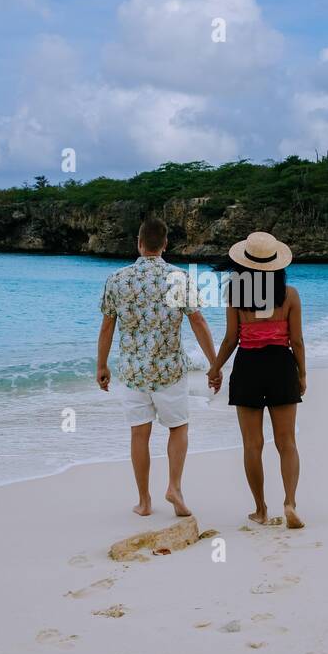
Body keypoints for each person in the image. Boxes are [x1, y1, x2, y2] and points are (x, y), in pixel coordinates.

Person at [96, 217, 219, 517]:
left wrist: (102, 365)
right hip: (169, 370)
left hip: (133, 372)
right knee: (178, 428)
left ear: (138, 244)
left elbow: (107, 326)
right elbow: (198, 321)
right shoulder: (179, 278)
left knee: (139, 434)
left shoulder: (117, 279)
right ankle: (174, 487)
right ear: (165, 245)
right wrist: (215, 364)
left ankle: (144, 501)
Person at [207, 231, 306, 529]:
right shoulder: (290, 295)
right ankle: (289, 502)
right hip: (281, 365)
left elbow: (230, 339)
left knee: (252, 444)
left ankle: (260, 509)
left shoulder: (236, 294)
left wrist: (214, 368)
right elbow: (297, 341)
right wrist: (302, 373)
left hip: (248, 367)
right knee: (286, 442)